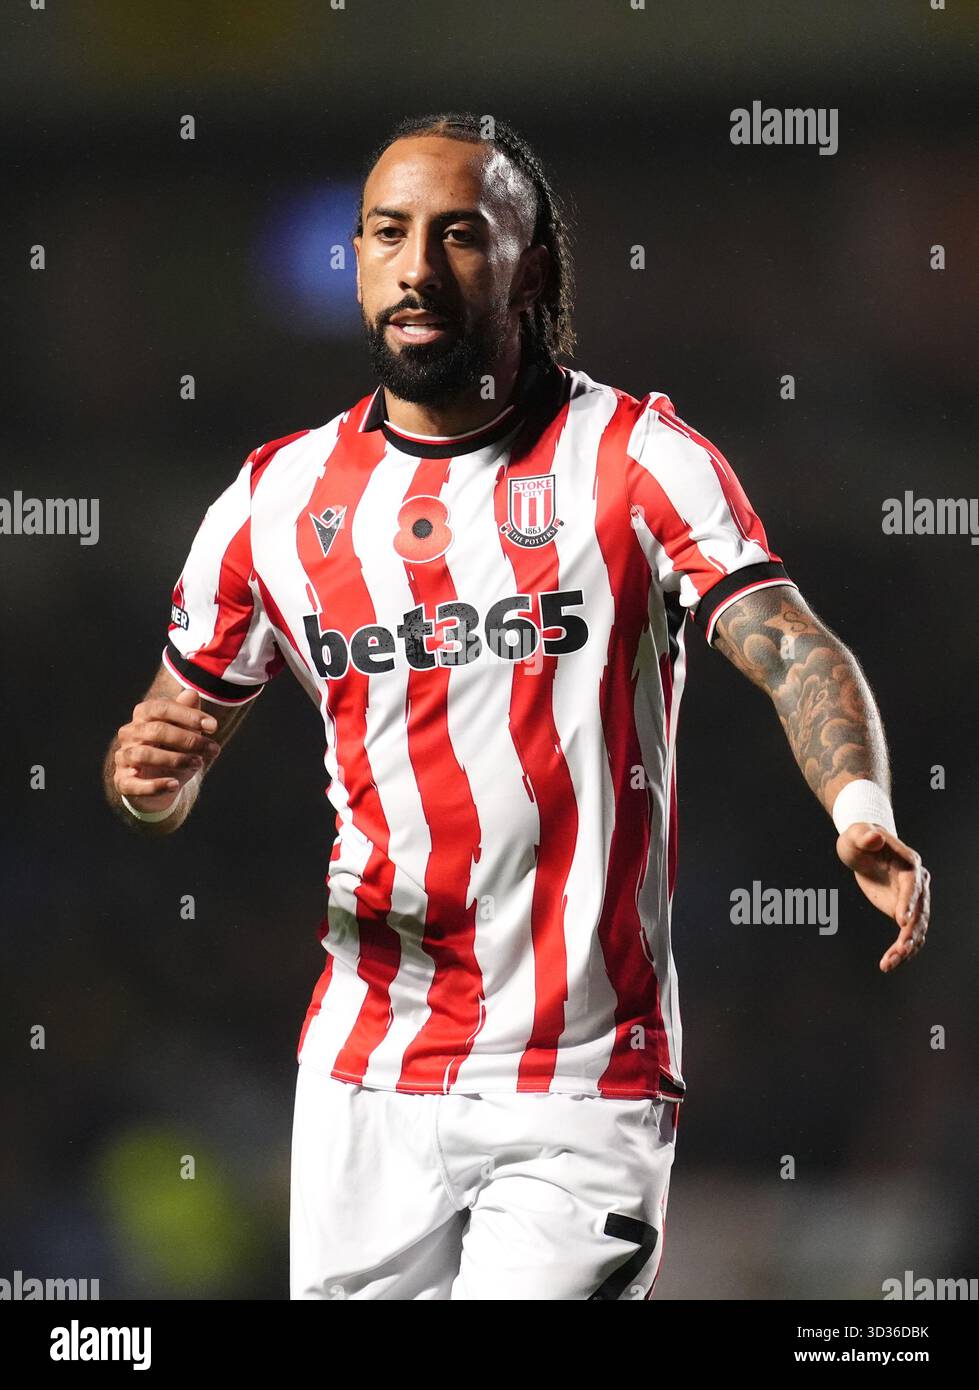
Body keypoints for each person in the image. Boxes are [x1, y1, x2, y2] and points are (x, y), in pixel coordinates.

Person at [102, 112, 931, 1300]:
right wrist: (143, 783)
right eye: (388, 234)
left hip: (581, 1083)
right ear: (356, 260)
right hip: (362, 1078)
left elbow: (787, 638)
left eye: (460, 235)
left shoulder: (634, 456)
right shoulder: (271, 501)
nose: (418, 267)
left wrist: (856, 800)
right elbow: (165, 758)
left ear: (529, 264)